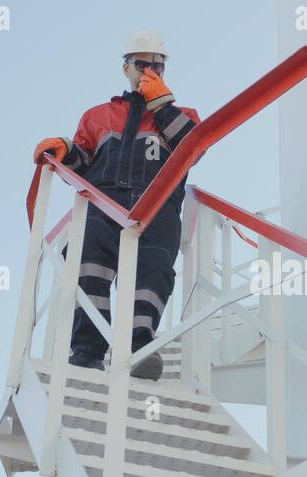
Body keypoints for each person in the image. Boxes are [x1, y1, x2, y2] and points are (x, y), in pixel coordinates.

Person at [32, 30, 199, 380]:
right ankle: (88, 351)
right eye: (142, 64)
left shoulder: (182, 115)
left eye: (158, 66)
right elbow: (84, 161)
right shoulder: (97, 116)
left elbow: (193, 148)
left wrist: (162, 105)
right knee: (87, 263)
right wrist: (64, 149)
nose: (150, 72)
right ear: (126, 68)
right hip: (104, 200)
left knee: (154, 269)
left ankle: (141, 348)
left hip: (157, 203)